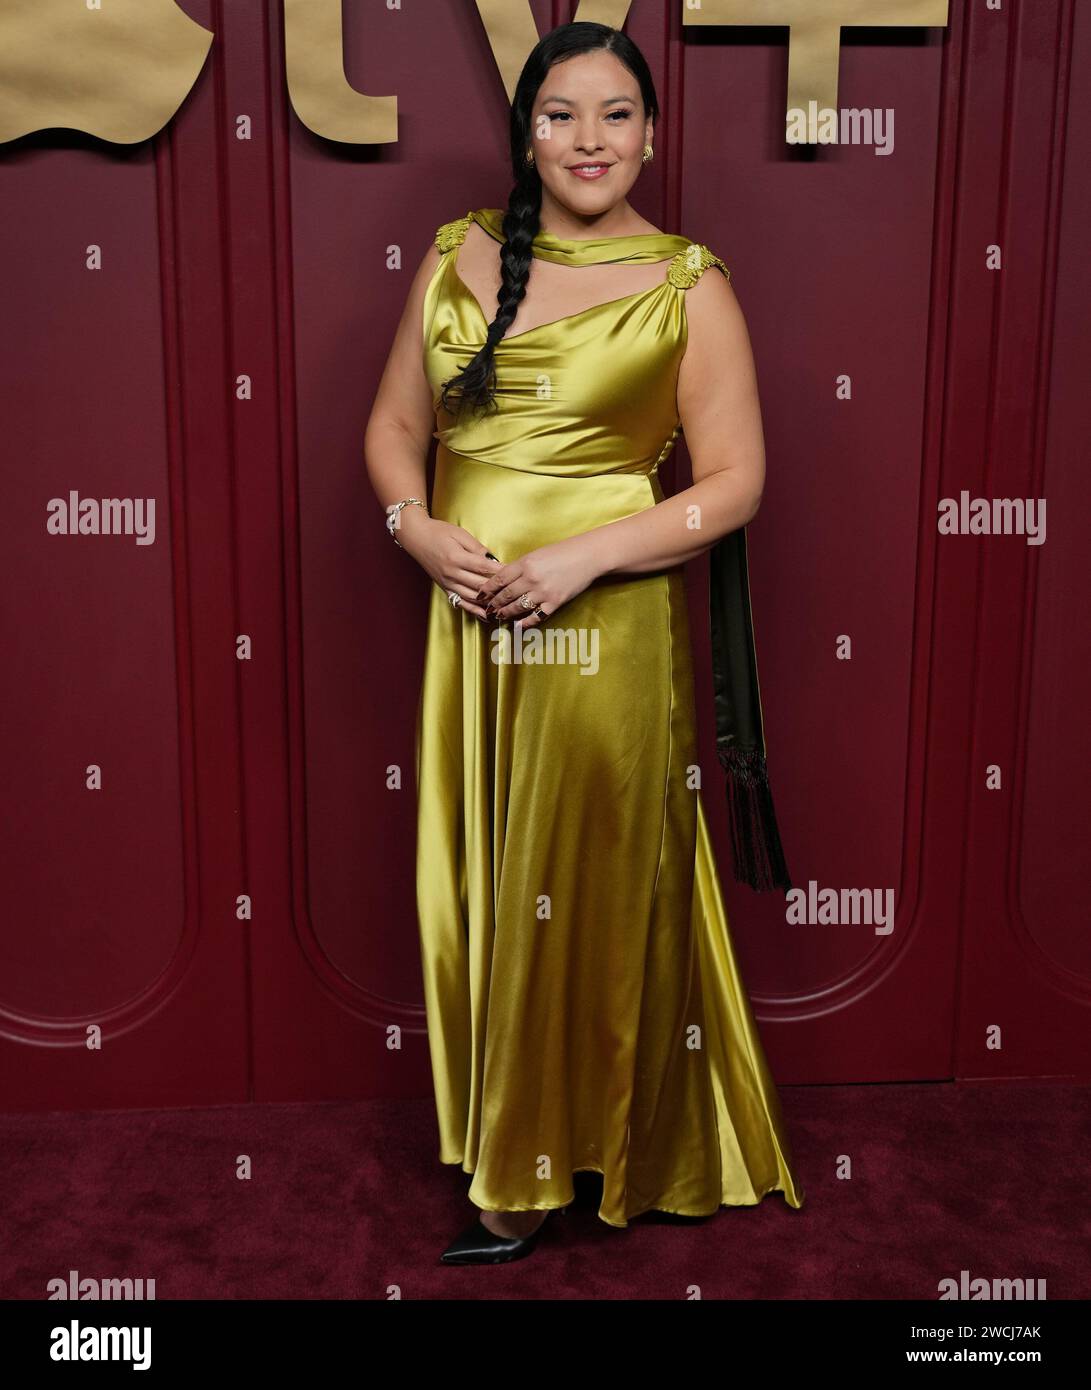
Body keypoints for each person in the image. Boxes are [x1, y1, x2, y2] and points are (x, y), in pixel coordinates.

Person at [364, 20, 804, 1265]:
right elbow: (392, 429)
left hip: (603, 636)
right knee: (489, 880)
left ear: (651, 133)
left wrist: (577, 558)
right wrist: (416, 531)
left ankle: (540, 1170)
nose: (588, 140)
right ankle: (507, 1128)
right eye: (560, 114)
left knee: (582, 888)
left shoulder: (687, 284)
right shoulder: (456, 256)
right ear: (525, 134)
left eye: (615, 114)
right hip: (470, 640)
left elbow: (736, 485)